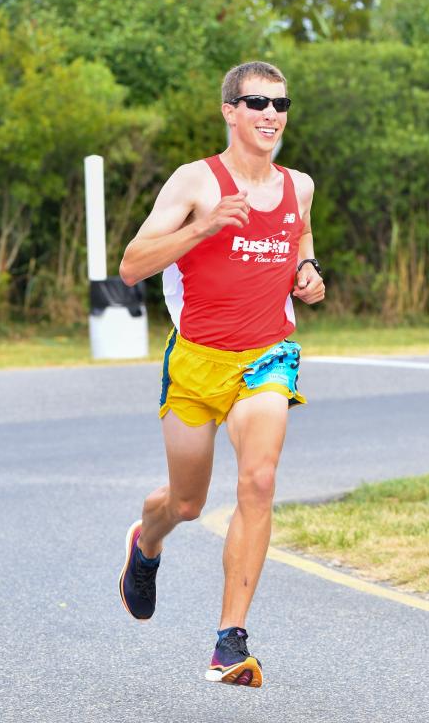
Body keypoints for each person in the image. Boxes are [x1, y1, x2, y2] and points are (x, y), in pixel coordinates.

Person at [117, 60, 325, 688]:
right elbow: (131, 266)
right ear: (230, 110)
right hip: (197, 361)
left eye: (281, 104)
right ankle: (145, 542)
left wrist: (308, 273)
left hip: (266, 355)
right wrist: (205, 225)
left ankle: (229, 641)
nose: (271, 115)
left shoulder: (301, 186)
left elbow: (302, 238)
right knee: (186, 501)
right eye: (257, 102)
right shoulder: (194, 182)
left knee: (258, 481)